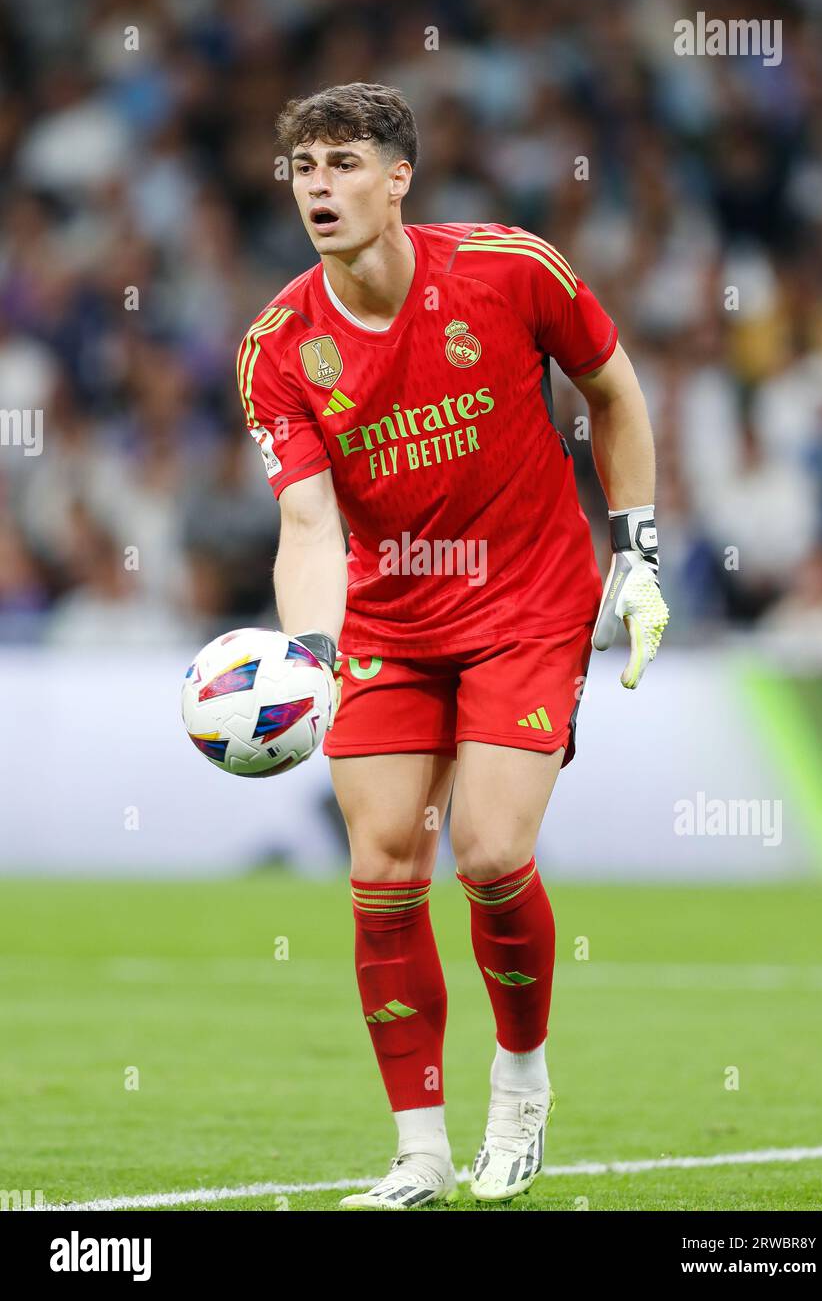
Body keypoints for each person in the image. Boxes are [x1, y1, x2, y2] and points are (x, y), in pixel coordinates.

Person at [236, 82, 668, 1209]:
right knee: (382, 864)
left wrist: (640, 551)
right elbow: (307, 523)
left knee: (483, 850)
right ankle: (419, 1151)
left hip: (526, 597)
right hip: (386, 618)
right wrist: (313, 654)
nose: (318, 187)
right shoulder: (279, 346)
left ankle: (518, 1085)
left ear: (398, 179)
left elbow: (612, 393)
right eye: (302, 169)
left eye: (340, 163)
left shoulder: (511, 267)